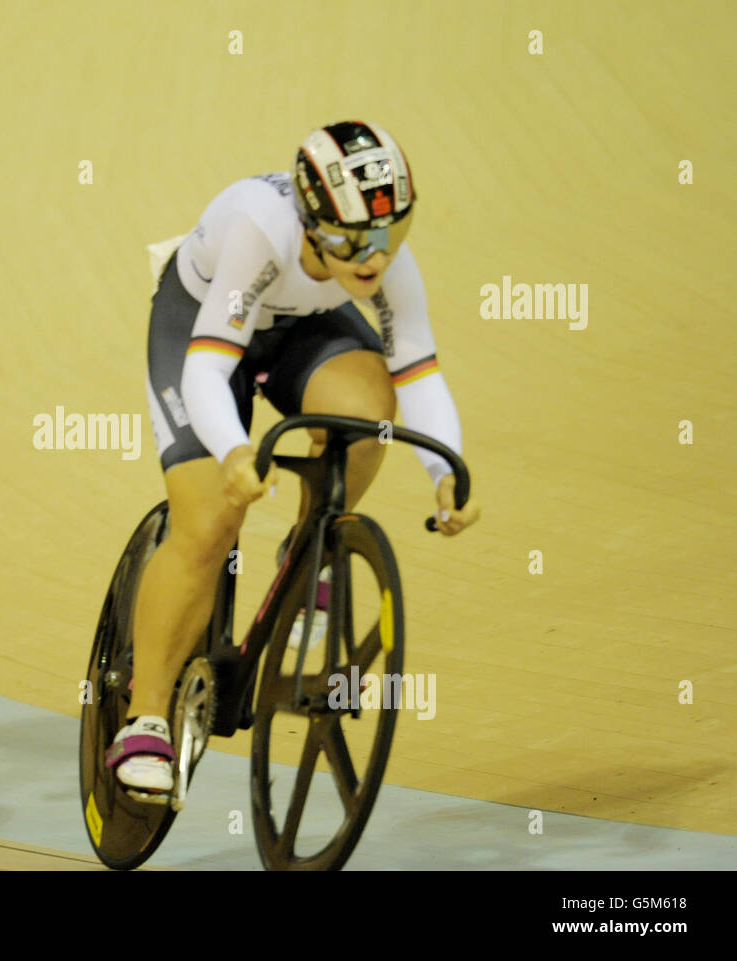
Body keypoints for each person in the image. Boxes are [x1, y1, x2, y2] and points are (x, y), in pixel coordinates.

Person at [110, 120, 480, 797]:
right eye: (348, 242)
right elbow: (206, 372)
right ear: (312, 225)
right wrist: (234, 451)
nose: (371, 259)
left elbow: (419, 372)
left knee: (370, 415)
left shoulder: (379, 251)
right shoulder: (261, 231)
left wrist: (446, 475)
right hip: (202, 325)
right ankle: (146, 715)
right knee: (209, 523)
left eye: (387, 235)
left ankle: (306, 548)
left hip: (298, 328)